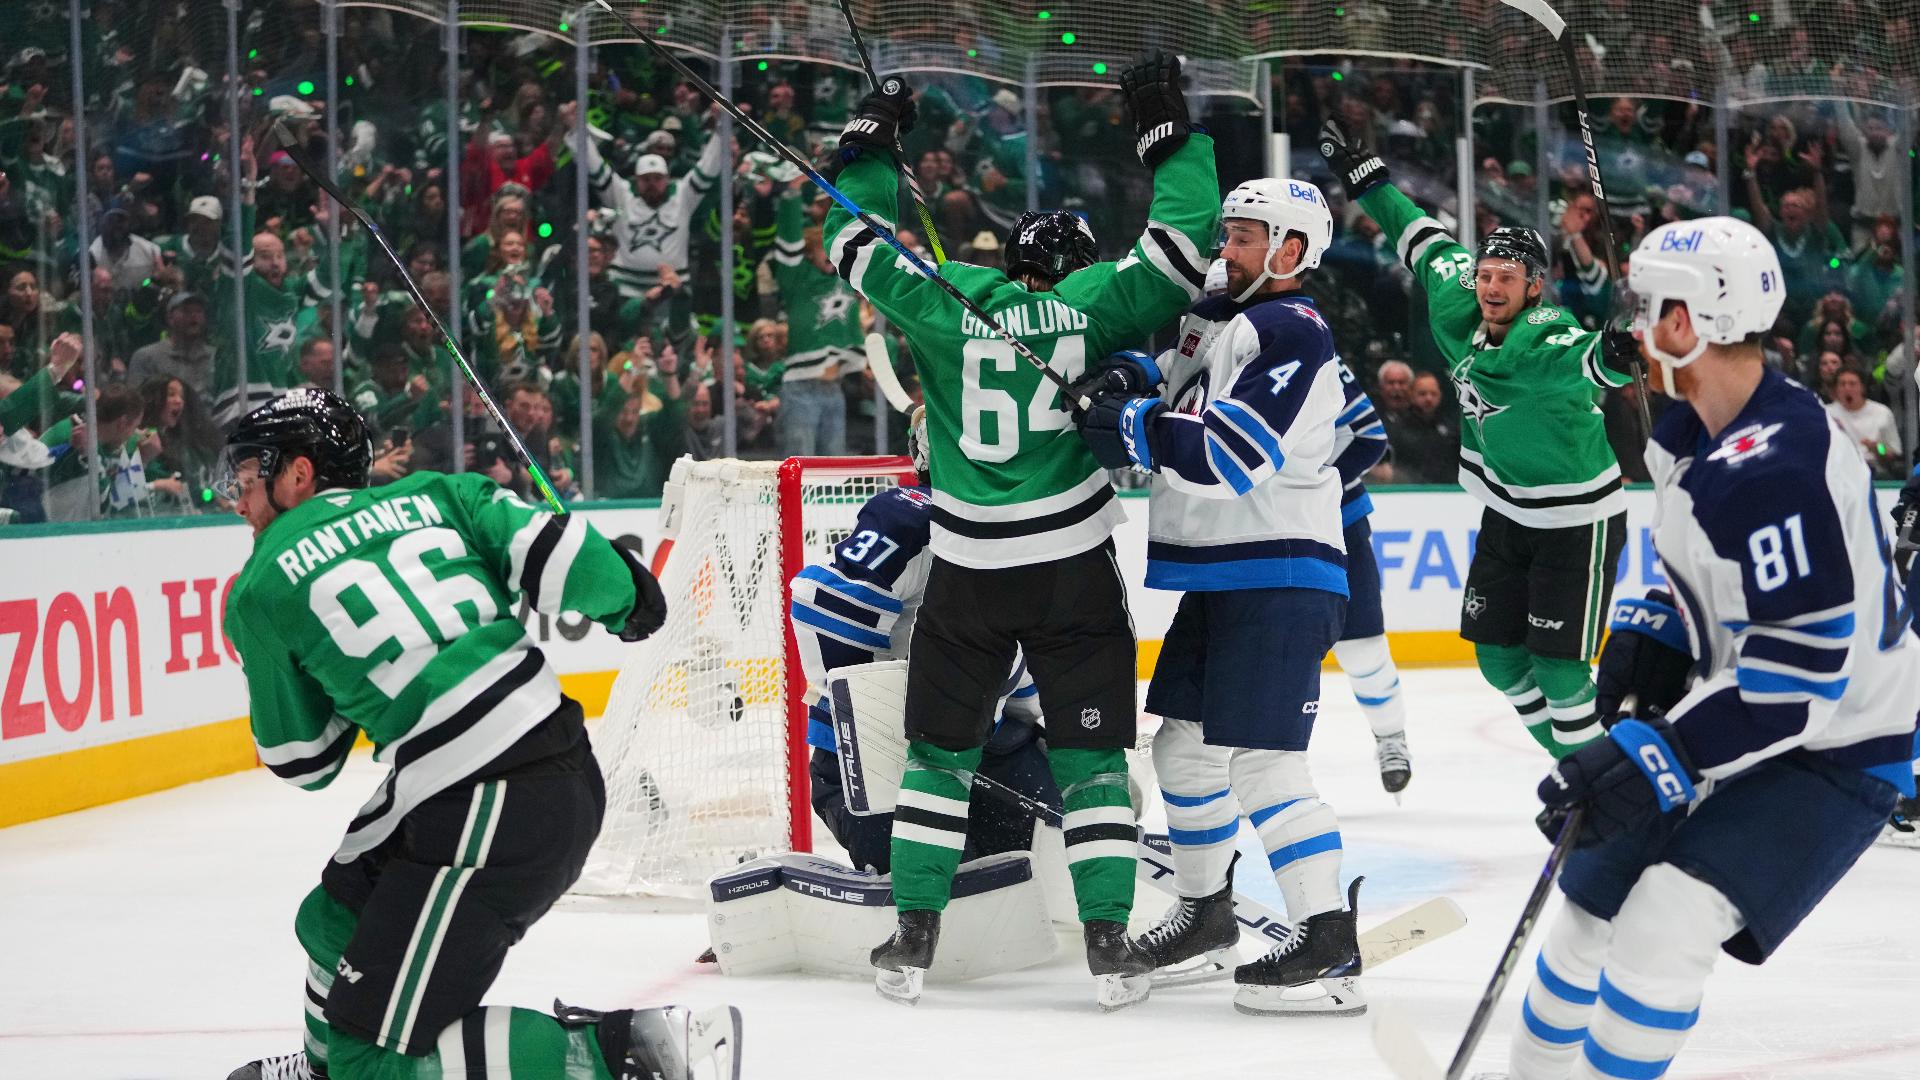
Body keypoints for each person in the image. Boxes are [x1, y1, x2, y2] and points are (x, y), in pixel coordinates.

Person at [825, 53, 1219, 1009]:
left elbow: (851, 239)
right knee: (1092, 762)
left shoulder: (945, 298)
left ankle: (912, 939)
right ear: (1072, 263)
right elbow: (1184, 241)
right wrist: (1168, 125)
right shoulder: (1097, 302)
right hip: (1073, 570)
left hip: (968, 570)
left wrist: (869, 144)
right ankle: (1110, 943)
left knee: (938, 758)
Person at [214, 389, 740, 1080]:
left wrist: (335, 683)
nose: (240, 501)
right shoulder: (440, 494)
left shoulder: (256, 588)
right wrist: (630, 598)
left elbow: (303, 761)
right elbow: (572, 557)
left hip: (483, 799)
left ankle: (633, 1052)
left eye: (249, 480)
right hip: (542, 770)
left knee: (367, 1059)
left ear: (299, 475)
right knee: (333, 913)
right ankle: (319, 1073)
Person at [1500, 216, 1918, 1080]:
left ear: (1688, 322)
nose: (1633, 327)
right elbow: (1710, 584)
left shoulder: (1779, 468)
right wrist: (1655, 630)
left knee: (1664, 923)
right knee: (1585, 909)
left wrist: (1662, 754)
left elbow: (1799, 683)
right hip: (1742, 711)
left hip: (1840, 750)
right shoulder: (1694, 431)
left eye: (1646, 307)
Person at [1074, 177, 1366, 1016]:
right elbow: (1166, 392)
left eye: (1242, 238)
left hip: (1278, 572)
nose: (1223, 250)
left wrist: (1130, 423)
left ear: (1292, 250)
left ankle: (1325, 940)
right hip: (1226, 574)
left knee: (1263, 762)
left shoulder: (1289, 326)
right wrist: (1126, 380)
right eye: (1225, 235)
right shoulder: (1225, 323)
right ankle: (1206, 915)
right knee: (1183, 752)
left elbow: (1230, 457)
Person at [1324, 115, 1636, 759]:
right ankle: (1588, 773)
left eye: (1506, 279)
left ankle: (1603, 788)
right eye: (1487, 274)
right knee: (1498, 661)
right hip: (1506, 508)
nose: (1491, 286)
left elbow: (1583, 360)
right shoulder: (1459, 293)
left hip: (1576, 516)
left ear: (1535, 288)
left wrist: (1616, 348)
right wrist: (1367, 180)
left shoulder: (1541, 335)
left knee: (1560, 672)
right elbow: (1421, 237)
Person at [789, 409, 1059, 873]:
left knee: (1057, 852)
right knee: (931, 879)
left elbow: (1028, 660)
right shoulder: (912, 516)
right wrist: (881, 723)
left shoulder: (1030, 528)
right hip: (882, 758)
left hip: (990, 751)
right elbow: (825, 608)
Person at [770, 184, 863, 456]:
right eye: (822, 248)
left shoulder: (845, 278)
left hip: (835, 389)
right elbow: (788, 243)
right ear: (809, 252)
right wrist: (791, 195)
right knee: (802, 472)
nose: (829, 254)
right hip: (800, 389)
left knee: (833, 475)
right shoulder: (797, 279)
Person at [1824, 366, 1903, 478]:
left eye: (1852, 384)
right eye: (1842, 384)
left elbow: (1893, 453)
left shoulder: (1882, 413)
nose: (1847, 388)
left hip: (1872, 468)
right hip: (1838, 469)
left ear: (1862, 388)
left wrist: (1877, 448)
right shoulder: (1827, 413)